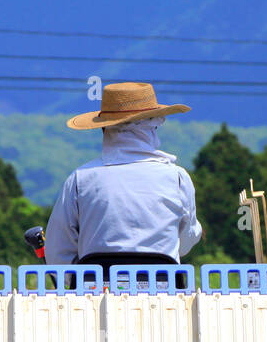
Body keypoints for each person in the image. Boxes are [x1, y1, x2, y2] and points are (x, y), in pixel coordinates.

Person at [43, 82, 203, 266]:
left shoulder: (80, 179)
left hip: (94, 292)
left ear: (106, 129)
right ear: (153, 128)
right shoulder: (177, 178)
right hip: (163, 291)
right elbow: (184, 244)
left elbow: (57, 253)